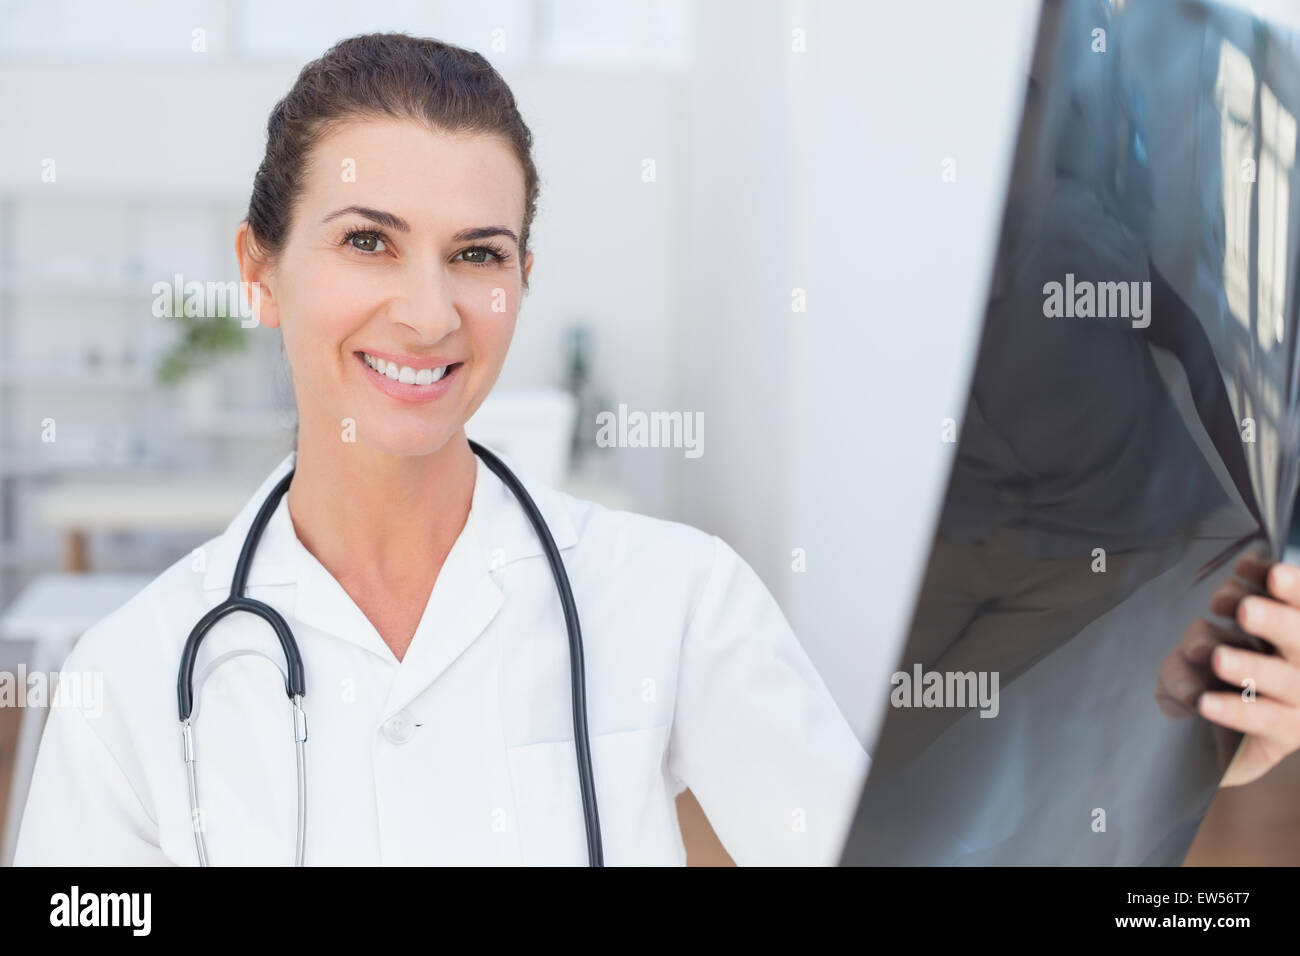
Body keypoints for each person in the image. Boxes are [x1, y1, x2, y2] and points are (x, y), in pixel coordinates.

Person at [12, 33, 869, 866]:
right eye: (368, 241)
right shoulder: (130, 680)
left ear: (521, 279)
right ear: (259, 272)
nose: (429, 314)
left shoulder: (681, 603)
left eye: (476, 254)